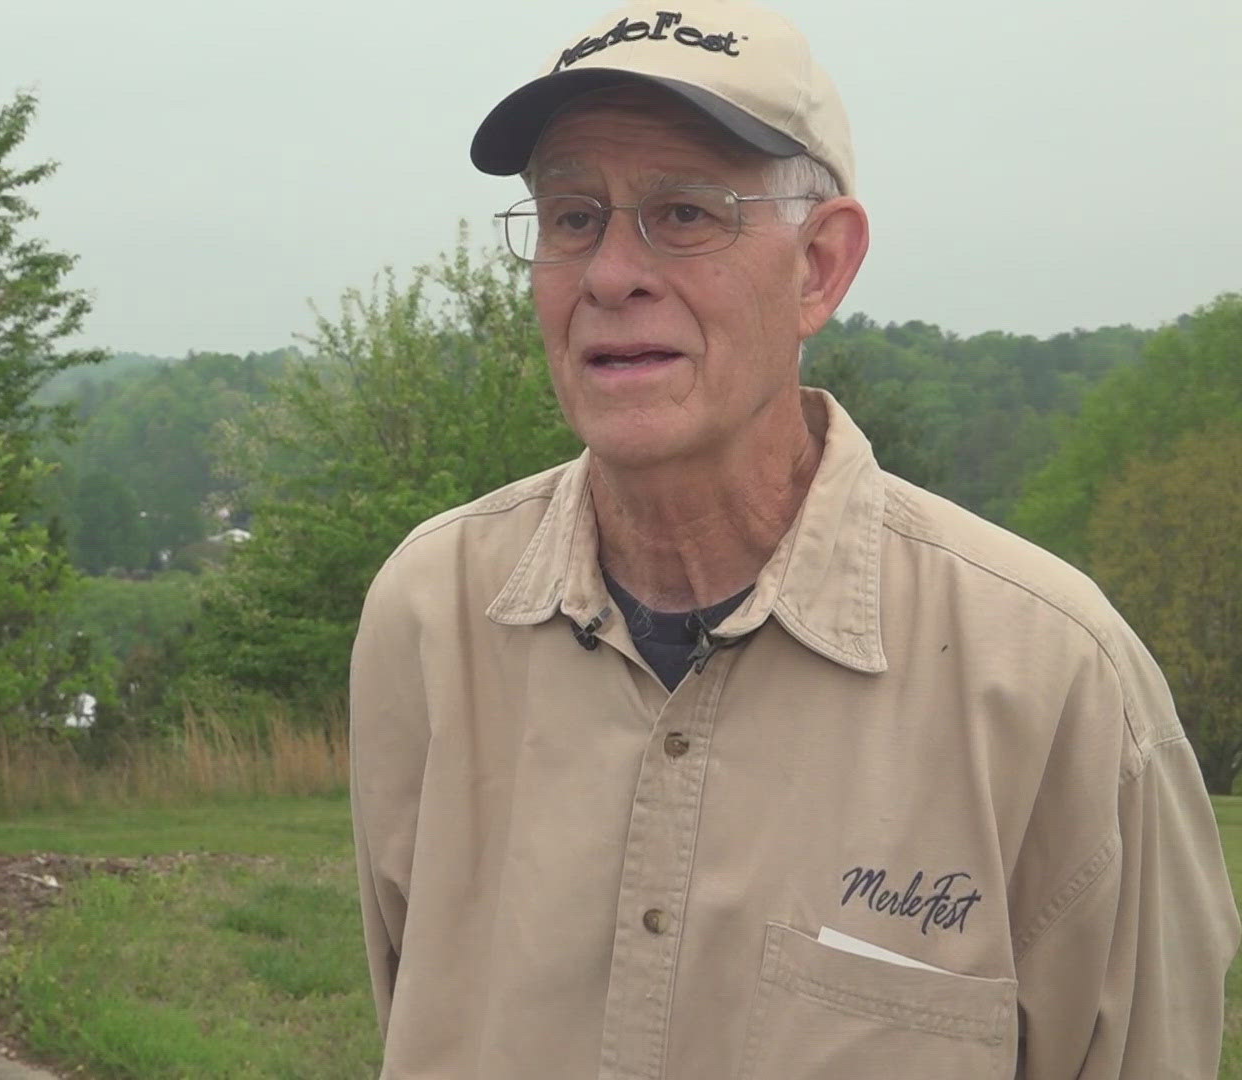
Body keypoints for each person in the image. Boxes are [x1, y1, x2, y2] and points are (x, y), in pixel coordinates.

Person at [346, 2, 1240, 1077]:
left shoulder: (1051, 680)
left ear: (821, 265)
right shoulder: (429, 615)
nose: (610, 274)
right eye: (572, 216)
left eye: (683, 213)